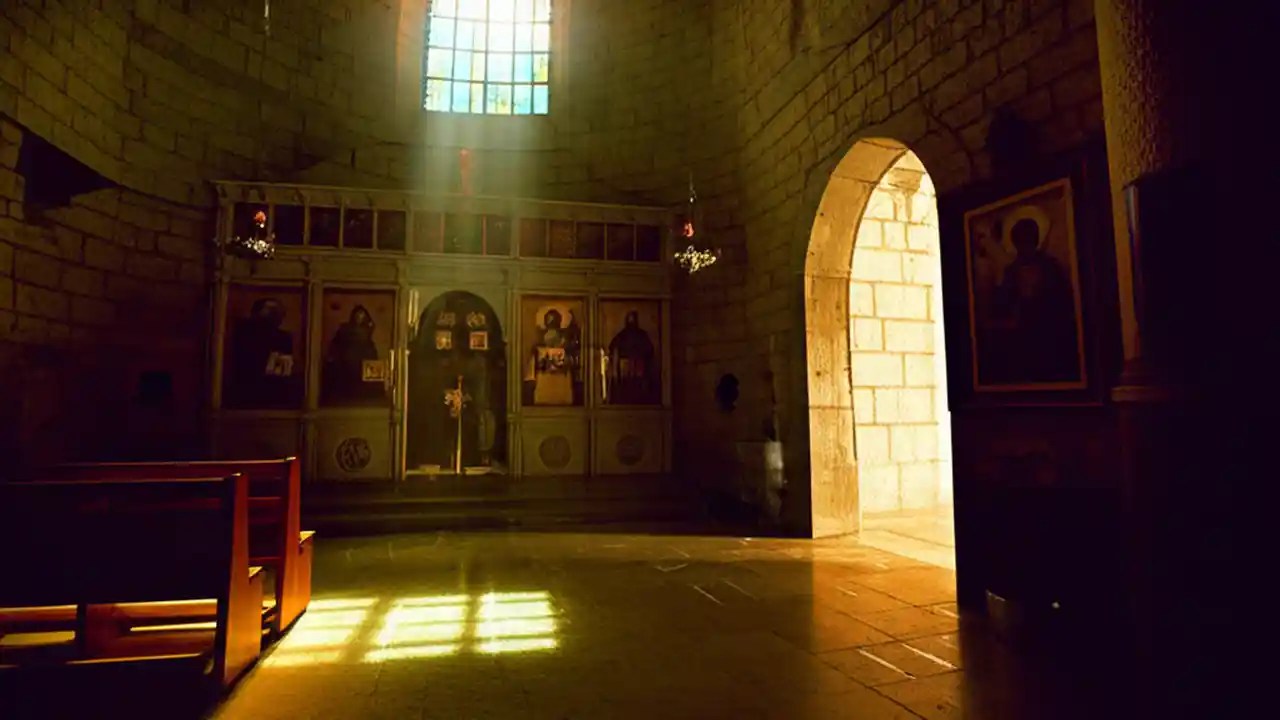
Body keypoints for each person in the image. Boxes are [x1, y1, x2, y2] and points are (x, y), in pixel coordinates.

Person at [989, 217, 1079, 382]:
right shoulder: (1011, 271)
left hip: (1049, 330)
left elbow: (1064, 299)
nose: (1025, 245)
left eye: (1028, 239)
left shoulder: (1050, 266)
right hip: (1023, 331)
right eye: (1021, 241)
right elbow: (1002, 305)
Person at [227, 298, 296, 407]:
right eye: (271, 312)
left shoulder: (283, 338)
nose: (277, 316)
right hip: (245, 394)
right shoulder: (243, 333)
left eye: (278, 312)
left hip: (273, 395)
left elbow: (283, 371)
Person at [323, 305, 385, 404]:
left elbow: (370, 348)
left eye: (362, 315)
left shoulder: (367, 331)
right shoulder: (345, 329)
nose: (359, 317)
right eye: (358, 315)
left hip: (362, 361)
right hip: (347, 362)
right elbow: (336, 344)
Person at [607, 311, 658, 404]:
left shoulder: (642, 336)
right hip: (625, 375)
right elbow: (612, 348)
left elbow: (649, 353)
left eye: (632, 320)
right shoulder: (621, 336)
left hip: (639, 374)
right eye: (629, 320)